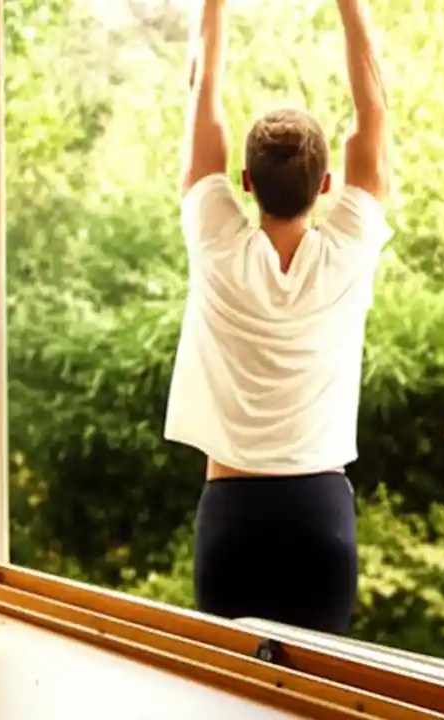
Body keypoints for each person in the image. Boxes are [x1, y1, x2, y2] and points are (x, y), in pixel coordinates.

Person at [165, 0, 392, 635]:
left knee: (233, 697)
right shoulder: (348, 248)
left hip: (232, 514)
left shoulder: (215, 241)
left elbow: (202, 91)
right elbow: (373, 108)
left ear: (243, 180)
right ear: (326, 185)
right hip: (320, 515)